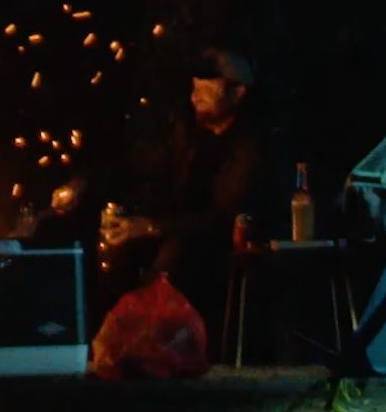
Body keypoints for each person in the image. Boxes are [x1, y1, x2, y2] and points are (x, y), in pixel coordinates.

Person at [97, 46, 273, 294]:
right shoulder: (189, 132)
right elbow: (144, 163)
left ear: (237, 92)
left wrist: (152, 226)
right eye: (195, 88)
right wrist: (87, 181)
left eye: (206, 89)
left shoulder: (253, 146)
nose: (195, 97)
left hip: (222, 248)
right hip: (176, 231)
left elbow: (225, 217)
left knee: (174, 258)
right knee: (117, 253)